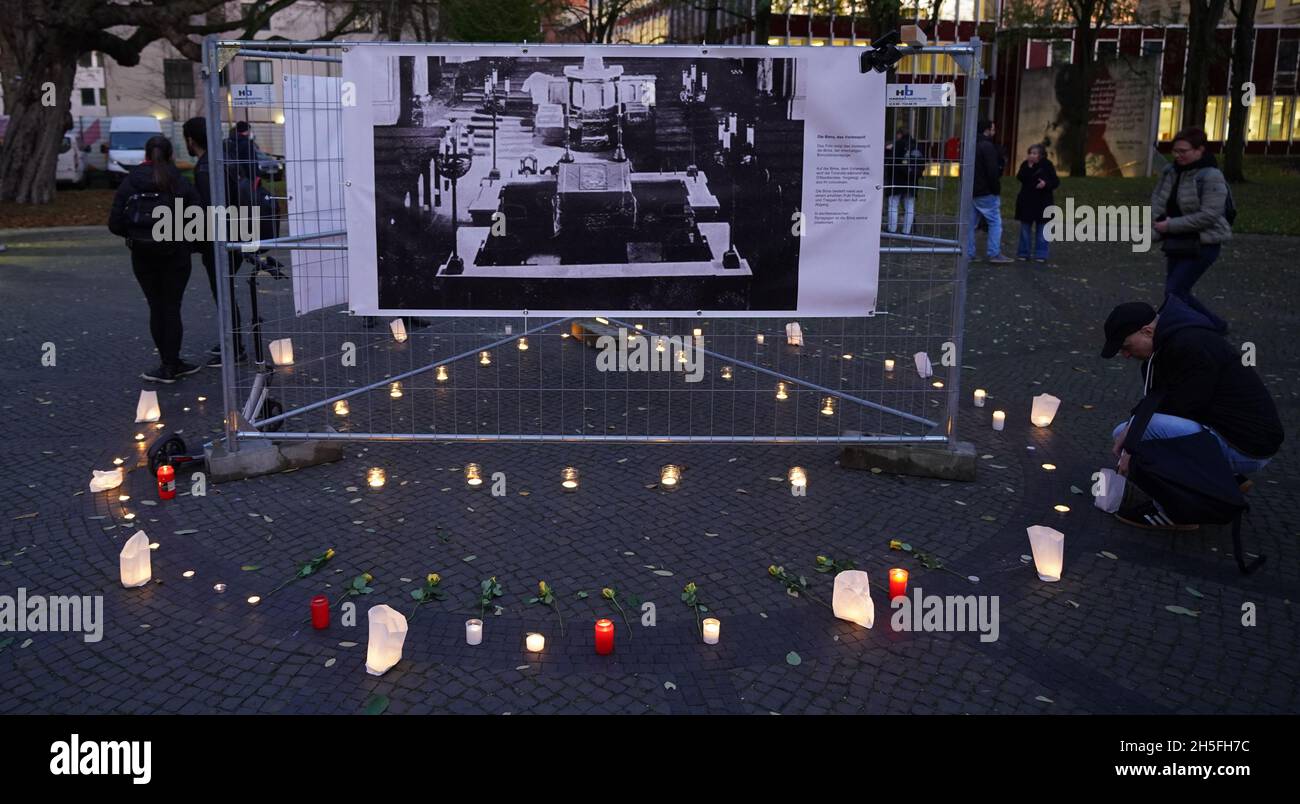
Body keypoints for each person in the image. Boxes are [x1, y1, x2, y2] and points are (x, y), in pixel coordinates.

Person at [1100, 297, 1283, 529]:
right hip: (1228, 432)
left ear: (1147, 331)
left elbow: (1183, 406)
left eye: (1126, 347)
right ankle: (1220, 479)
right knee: (1123, 432)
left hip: (1247, 447)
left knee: (1140, 434)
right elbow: (1159, 402)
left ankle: (1175, 512)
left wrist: (1133, 447)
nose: (1125, 355)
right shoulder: (1170, 343)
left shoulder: (1191, 345)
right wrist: (1131, 436)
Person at [108, 135, 204, 383]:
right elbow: (197, 214)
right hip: (175, 254)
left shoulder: (132, 180)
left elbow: (115, 223)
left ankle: (165, 363)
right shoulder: (178, 180)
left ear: (146, 154)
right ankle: (174, 363)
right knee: (172, 307)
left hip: (143, 255)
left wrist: (136, 235)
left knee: (156, 306)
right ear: (171, 154)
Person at [1150, 127, 1232, 328]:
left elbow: (1210, 215)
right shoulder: (1171, 172)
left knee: (1175, 291)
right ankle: (1184, 325)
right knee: (1175, 292)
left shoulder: (1210, 175)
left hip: (1204, 242)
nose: (1178, 156)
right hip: (1176, 241)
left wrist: (1170, 226)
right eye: (1175, 151)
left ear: (1199, 150)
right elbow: (1158, 202)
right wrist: (1153, 230)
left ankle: (1212, 325)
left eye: (1183, 151)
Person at [184, 117, 248, 367]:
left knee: (223, 294)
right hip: (236, 233)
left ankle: (234, 347)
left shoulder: (205, 168)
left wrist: (199, 240)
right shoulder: (224, 159)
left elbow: (209, 209)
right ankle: (232, 344)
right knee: (226, 293)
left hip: (220, 241)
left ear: (190, 140)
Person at [969, 119, 1012, 264]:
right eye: (993, 129)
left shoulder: (971, 144)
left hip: (971, 190)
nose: (994, 132)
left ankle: (969, 252)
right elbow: (992, 172)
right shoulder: (987, 147)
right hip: (986, 191)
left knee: (970, 224)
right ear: (987, 130)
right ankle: (994, 253)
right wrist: (995, 189)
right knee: (995, 222)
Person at [1013, 143, 1059, 263]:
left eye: (1034, 153)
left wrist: (1045, 184)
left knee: (1042, 229)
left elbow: (1055, 181)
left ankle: (1041, 254)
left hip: (1043, 202)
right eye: (1030, 153)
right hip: (1027, 201)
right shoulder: (1025, 164)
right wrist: (1029, 166)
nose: (1031, 156)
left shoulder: (1047, 165)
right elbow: (1021, 177)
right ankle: (1023, 252)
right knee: (1025, 229)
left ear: (1041, 155)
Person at [884, 124, 923, 234]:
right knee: (909, 206)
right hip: (911, 180)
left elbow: (891, 162)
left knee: (893, 204)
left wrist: (888, 150)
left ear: (899, 134)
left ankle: (892, 229)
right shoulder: (916, 146)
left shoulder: (897, 145)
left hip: (896, 180)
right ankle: (907, 231)